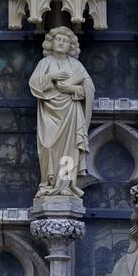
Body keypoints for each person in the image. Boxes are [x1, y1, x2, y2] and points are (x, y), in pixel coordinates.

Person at [28, 26, 94, 198]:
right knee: (48, 146)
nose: (61, 42)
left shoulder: (76, 65)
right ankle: (48, 183)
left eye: (65, 41)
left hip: (71, 111)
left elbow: (89, 89)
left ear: (70, 46)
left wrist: (72, 88)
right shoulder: (44, 63)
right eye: (58, 39)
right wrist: (51, 77)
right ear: (51, 42)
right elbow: (34, 84)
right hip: (49, 112)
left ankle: (65, 184)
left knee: (69, 150)